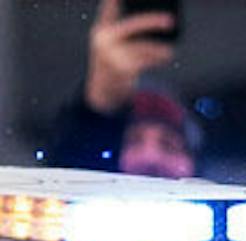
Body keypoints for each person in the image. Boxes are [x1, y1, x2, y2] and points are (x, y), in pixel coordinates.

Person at [41, 0, 198, 178]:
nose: (150, 158)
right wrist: (103, 96)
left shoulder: (222, 189)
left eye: (169, 145)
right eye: (134, 141)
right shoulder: (82, 181)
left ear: (194, 160)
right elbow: (68, 173)